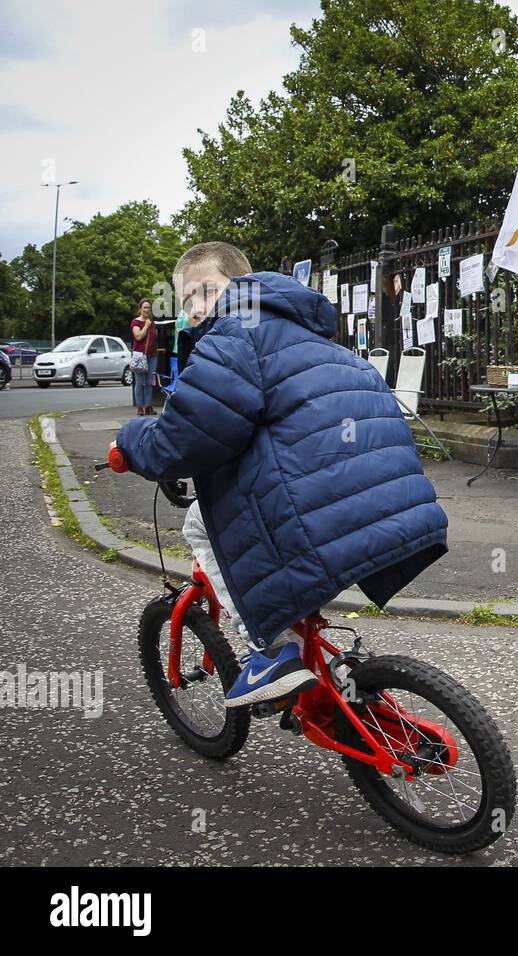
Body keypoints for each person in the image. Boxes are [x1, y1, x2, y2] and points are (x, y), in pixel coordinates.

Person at [113, 241, 449, 707]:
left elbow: (186, 438)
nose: (191, 311)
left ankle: (271, 648)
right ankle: (316, 663)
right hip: (392, 512)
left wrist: (130, 442)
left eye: (199, 294)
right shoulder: (319, 341)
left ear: (230, 288)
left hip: (323, 519)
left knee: (203, 527)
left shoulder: (233, 334)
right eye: (184, 301)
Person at [130, 298, 159, 416]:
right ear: (140, 309)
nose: (147, 310)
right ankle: (140, 407)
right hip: (140, 356)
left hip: (152, 355)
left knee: (148, 382)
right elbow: (138, 337)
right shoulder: (136, 322)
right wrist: (146, 326)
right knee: (139, 382)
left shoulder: (152, 322)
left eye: (148, 307)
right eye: (144, 307)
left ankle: (148, 406)